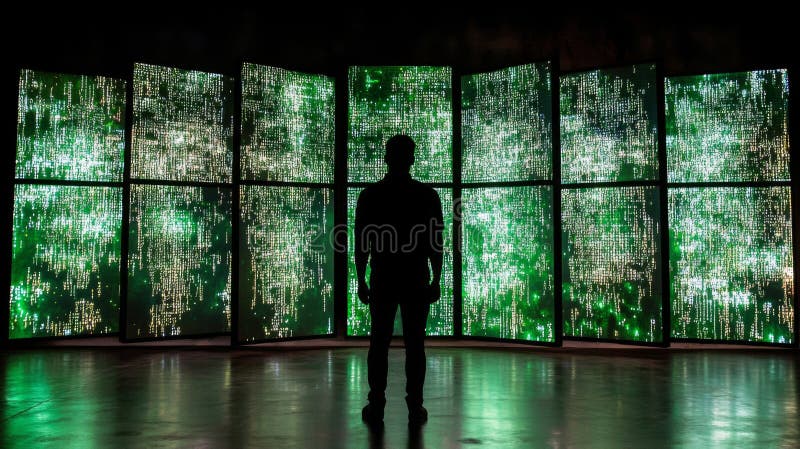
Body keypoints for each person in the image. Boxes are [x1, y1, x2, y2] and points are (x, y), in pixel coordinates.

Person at [355, 134, 444, 427]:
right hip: (416, 277)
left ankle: (376, 403)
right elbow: (435, 242)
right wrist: (436, 280)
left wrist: (361, 279)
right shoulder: (428, 196)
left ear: (386, 158)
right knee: (415, 345)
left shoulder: (370, 196)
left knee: (378, 342)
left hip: (383, 276)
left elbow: (361, 244)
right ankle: (415, 406)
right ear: (412, 159)